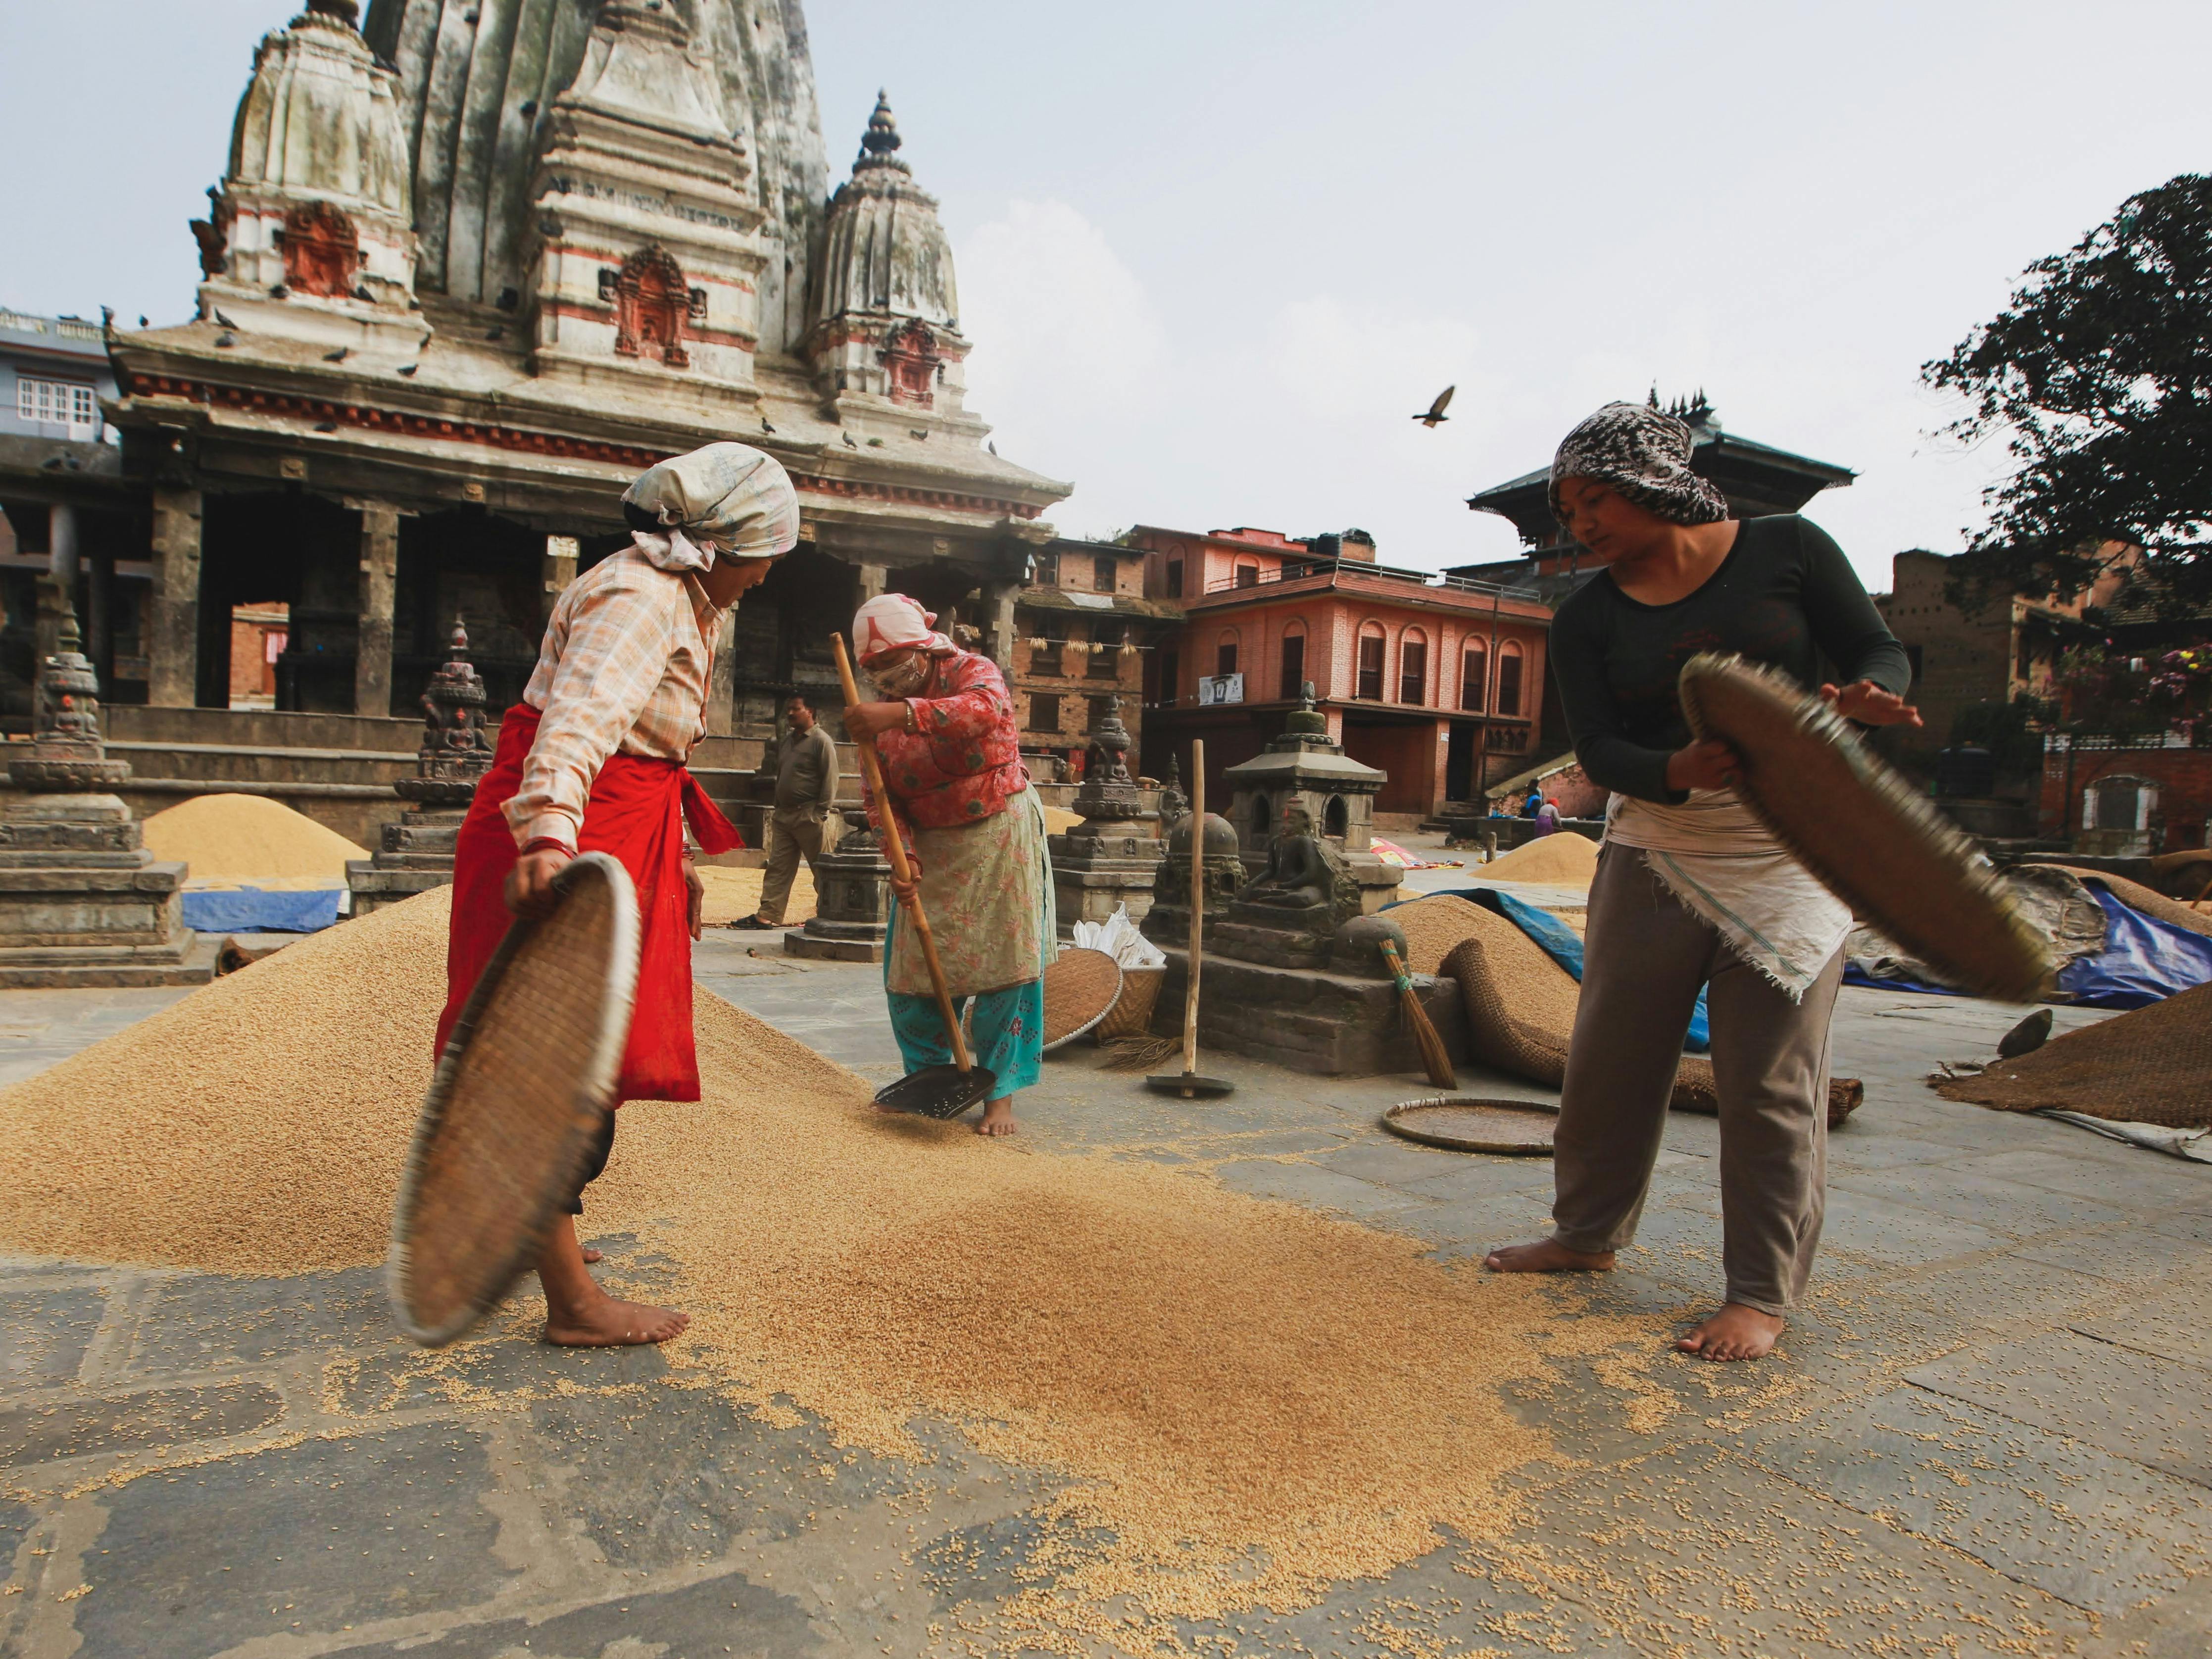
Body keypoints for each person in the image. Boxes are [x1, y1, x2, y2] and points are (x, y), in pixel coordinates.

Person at [1483, 401, 1919, 1363]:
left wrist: (1867, 693)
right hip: (1655, 850)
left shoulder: (1788, 549)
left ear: (1651, 483)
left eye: (1593, 498)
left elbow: (1874, 647)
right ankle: (1583, 1235)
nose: (1578, 522)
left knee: (1766, 1084)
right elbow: (1595, 744)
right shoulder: (1586, 615)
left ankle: (1757, 1295)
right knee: (1608, 1061)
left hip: (1791, 852)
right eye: (1565, 506)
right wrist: (1672, 772)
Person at [439, 441, 798, 1346]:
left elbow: (652, 747)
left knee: (590, 1042)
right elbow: (581, 719)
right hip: (572, 825)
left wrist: (671, 847)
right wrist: (552, 832)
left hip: (620, 820)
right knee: (548, 1057)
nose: (763, 578)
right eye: (763, 558)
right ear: (725, 544)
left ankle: (538, 1229)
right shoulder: (640, 597)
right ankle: (572, 1304)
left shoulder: (683, 595)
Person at [841, 594, 1052, 1138]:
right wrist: (902, 857)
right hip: (928, 845)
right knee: (912, 973)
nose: (887, 681)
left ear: (925, 650)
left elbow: (988, 711)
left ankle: (999, 1093)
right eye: (876, 673)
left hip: (995, 830)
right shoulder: (872, 717)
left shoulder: (971, 670)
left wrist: (903, 712)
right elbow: (877, 798)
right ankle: (934, 1078)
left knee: (1002, 966)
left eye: (895, 666)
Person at [736, 693, 841, 930]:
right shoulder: (787, 742)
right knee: (778, 868)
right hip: (784, 816)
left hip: (809, 816)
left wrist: (821, 813)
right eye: (789, 710)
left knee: (821, 868)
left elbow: (831, 778)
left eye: (796, 709)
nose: (791, 714)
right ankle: (767, 914)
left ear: (810, 711)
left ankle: (832, 911)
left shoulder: (821, 741)